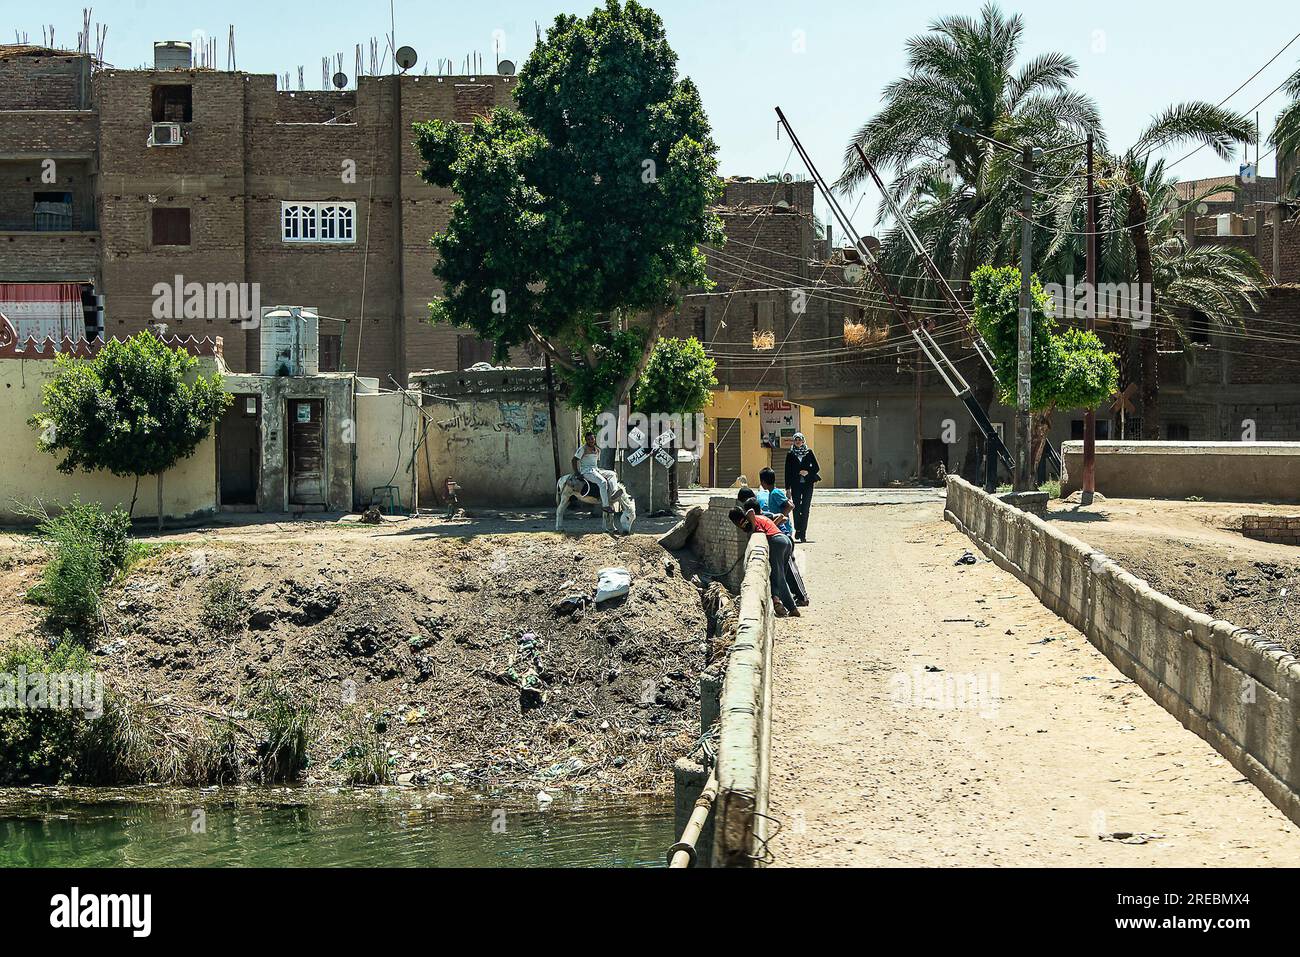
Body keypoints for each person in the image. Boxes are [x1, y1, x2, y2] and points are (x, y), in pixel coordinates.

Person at [737, 486, 808, 607]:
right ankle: (780, 599)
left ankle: (802, 596)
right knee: (778, 573)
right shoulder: (759, 504)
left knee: (790, 570)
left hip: (781, 537)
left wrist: (769, 529)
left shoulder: (758, 511)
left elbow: (781, 516)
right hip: (778, 539)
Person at [728, 505, 800, 617]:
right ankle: (777, 602)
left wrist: (751, 530)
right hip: (786, 541)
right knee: (778, 576)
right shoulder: (760, 517)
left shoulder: (748, 520)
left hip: (776, 542)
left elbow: (750, 512)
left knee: (779, 578)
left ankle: (792, 608)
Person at [572, 431, 622, 512]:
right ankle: (605, 505)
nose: (591, 441)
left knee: (612, 474)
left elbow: (594, 464)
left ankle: (614, 493)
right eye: (588, 439)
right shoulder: (582, 449)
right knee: (602, 482)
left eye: (592, 438)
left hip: (596, 469)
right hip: (587, 471)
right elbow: (574, 460)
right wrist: (577, 473)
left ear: (594, 439)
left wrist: (599, 470)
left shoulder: (597, 450)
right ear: (586, 440)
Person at [784, 432, 820, 543]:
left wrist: (807, 472)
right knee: (796, 507)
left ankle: (803, 533)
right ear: (794, 441)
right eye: (796, 440)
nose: (798, 441)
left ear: (803, 441)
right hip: (796, 485)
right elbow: (787, 472)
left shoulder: (809, 453)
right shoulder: (790, 454)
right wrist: (787, 488)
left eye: (800, 440)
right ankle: (798, 528)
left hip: (808, 484)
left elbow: (816, 468)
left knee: (805, 508)